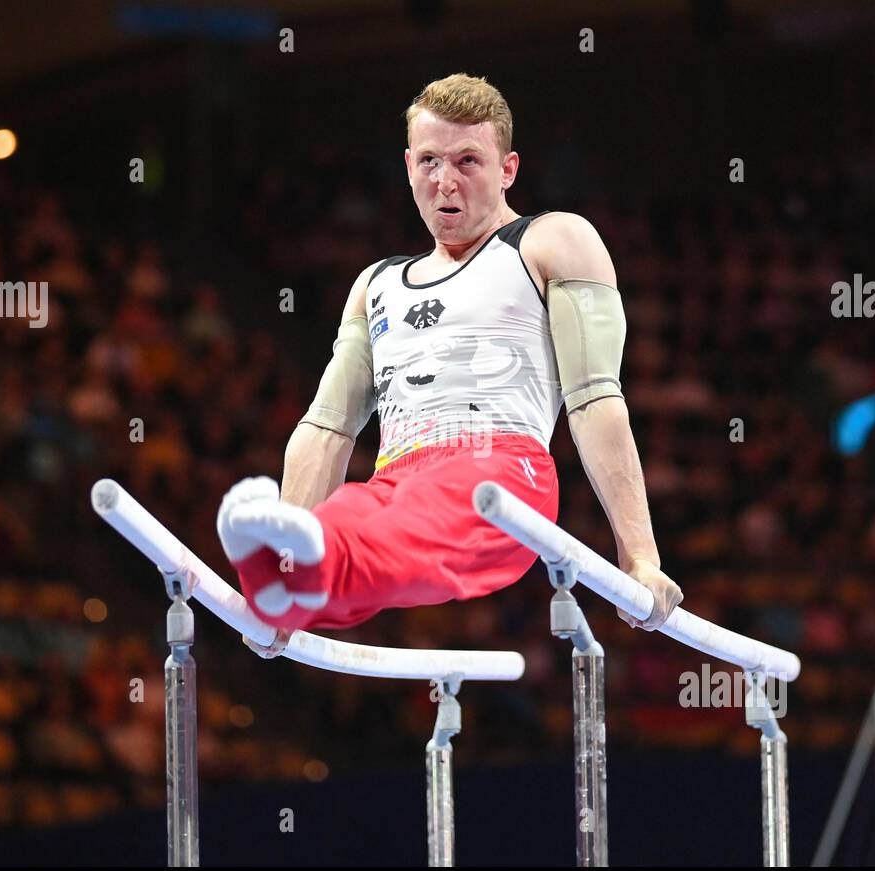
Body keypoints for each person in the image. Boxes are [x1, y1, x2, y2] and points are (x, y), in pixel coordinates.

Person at [218, 72, 682, 639]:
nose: (445, 182)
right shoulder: (376, 285)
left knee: (404, 525)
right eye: (430, 162)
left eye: (468, 162)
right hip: (396, 479)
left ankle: (298, 573)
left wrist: (641, 558)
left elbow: (596, 399)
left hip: (499, 472)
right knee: (351, 513)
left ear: (508, 169)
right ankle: (287, 581)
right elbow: (325, 429)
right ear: (408, 165)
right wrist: (293, 527)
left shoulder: (552, 242)